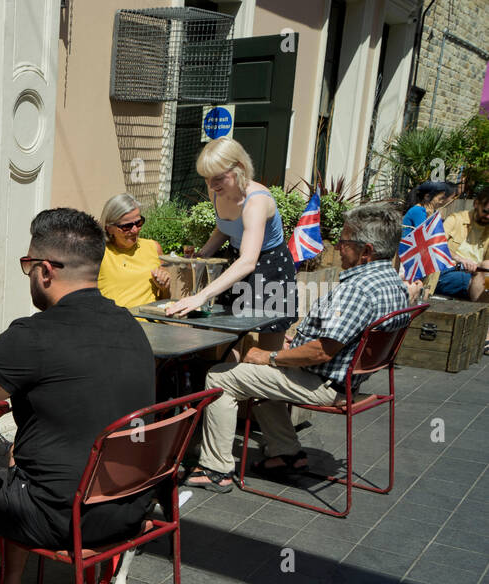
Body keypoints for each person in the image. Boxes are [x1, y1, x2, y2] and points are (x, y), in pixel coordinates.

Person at [0, 208, 155, 584]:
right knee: (25, 458)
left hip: (64, 518)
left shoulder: (33, 334)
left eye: (27, 265)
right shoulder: (129, 324)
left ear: (45, 270)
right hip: (128, 508)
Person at [184, 203, 409, 492]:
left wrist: (272, 356)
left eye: (343, 241)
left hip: (325, 383)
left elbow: (322, 352)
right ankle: (285, 453)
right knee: (255, 375)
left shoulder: (356, 289)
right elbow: (337, 343)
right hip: (349, 379)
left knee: (220, 376)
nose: (338, 248)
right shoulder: (394, 282)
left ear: (365, 250)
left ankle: (215, 469)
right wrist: (292, 349)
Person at [166, 138, 297, 350]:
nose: (211, 185)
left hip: (272, 267)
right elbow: (226, 227)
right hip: (238, 260)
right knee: (226, 340)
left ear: (240, 168)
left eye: (218, 178)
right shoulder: (216, 192)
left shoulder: (256, 201)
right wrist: (204, 253)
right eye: (207, 178)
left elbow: (248, 262)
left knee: (268, 351)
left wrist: (201, 296)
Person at [97, 193, 172, 309]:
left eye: (139, 223)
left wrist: (164, 288)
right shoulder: (99, 252)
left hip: (151, 323)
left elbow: (165, 301)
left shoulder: (153, 247)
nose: (135, 230)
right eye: (126, 227)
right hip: (116, 323)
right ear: (109, 228)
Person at [434, 183, 489, 306]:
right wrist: (460, 259)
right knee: (480, 281)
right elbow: (436, 245)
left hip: (478, 274)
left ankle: (482, 311)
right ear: (476, 204)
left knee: (486, 266)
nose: (488, 216)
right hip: (449, 271)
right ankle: (481, 313)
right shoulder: (456, 220)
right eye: (485, 211)